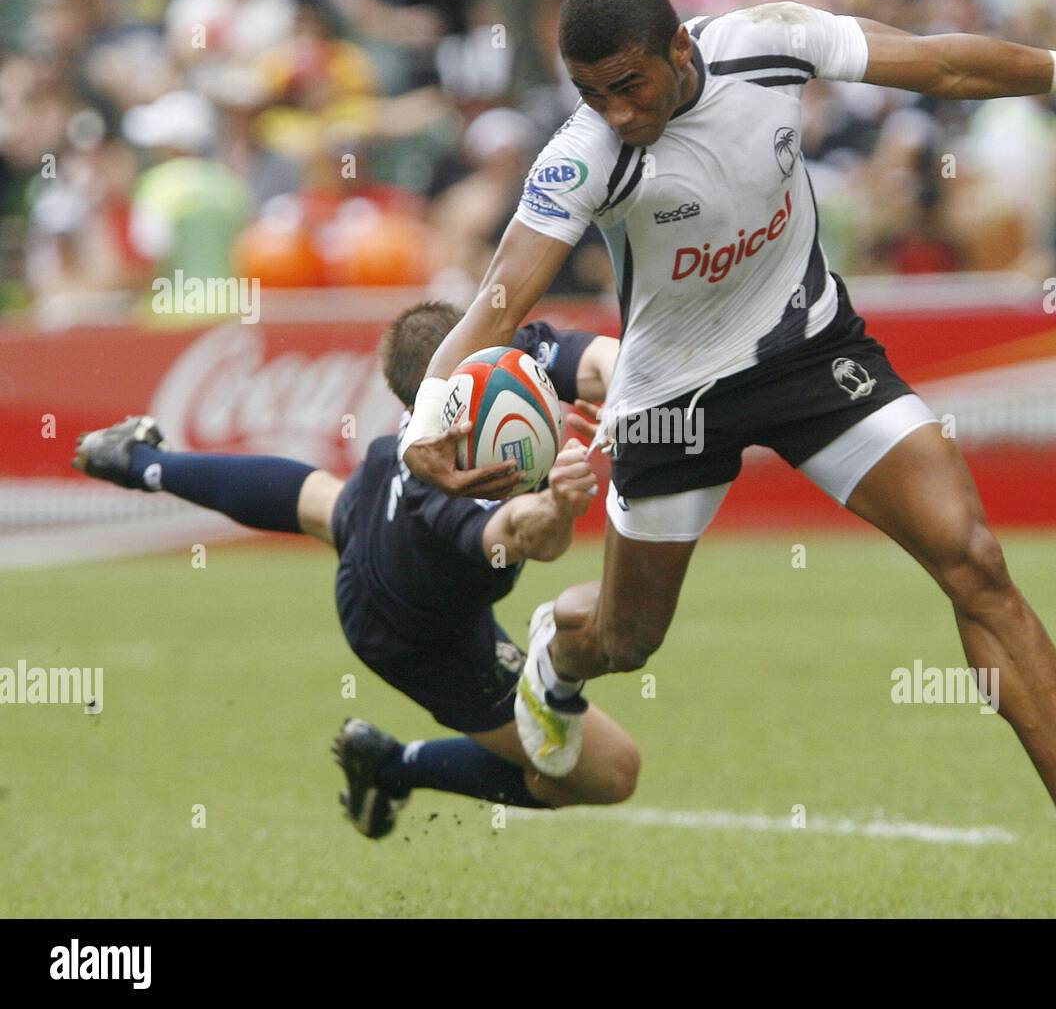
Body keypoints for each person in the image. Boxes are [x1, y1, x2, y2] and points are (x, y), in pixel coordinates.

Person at [399, 0, 1056, 889]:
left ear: (682, 48)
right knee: (629, 639)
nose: (614, 111)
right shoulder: (585, 153)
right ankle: (559, 657)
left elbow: (946, 66)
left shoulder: (771, 40)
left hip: (811, 355)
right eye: (590, 92)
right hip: (675, 401)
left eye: (628, 85)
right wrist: (422, 427)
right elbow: (501, 296)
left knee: (973, 556)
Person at [73, 301, 637, 839]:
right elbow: (518, 536)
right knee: (605, 772)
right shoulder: (436, 477)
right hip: (409, 626)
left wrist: (622, 396)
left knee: (319, 502)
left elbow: (602, 361)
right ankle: (392, 767)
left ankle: (140, 462)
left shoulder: (498, 355)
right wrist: (560, 504)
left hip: (372, 505)